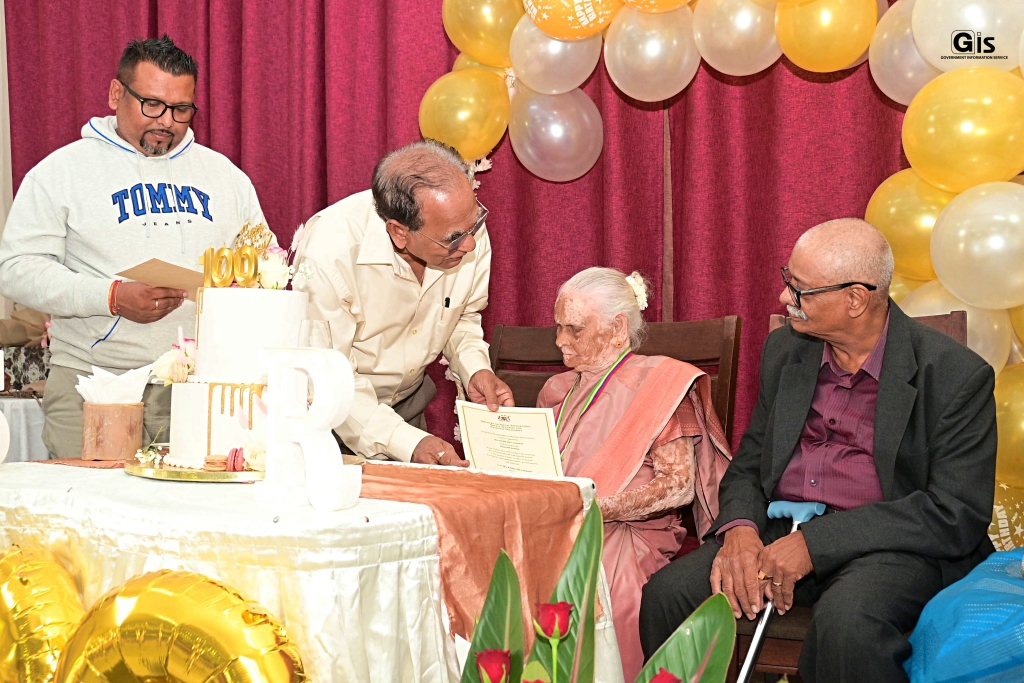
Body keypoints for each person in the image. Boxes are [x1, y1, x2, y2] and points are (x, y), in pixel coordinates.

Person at [639, 219, 997, 683]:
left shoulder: (954, 375)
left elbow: (955, 513)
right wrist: (741, 532)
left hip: (890, 545)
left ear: (855, 299)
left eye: (800, 289)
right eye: (788, 280)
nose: (784, 299)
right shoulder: (786, 350)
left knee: (849, 625)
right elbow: (751, 460)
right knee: (669, 595)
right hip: (778, 527)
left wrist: (815, 545)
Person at [0, 36, 267, 459]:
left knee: (186, 516)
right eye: (152, 105)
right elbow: (16, 269)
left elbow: (262, 266)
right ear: (115, 94)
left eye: (181, 109)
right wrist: (110, 296)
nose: (166, 121)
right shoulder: (60, 172)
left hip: (196, 388)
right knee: (86, 513)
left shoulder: (225, 177)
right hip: (92, 384)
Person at [536, 267, 731, 681]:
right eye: (557, 327)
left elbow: (677, 488)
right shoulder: (556, 390)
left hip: (625, 532)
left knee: (594, 588)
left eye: (573, 329)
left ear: (617, 328)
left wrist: (593, 510)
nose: (559, 341)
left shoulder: (661, 383)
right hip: (552, 521)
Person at [292, 140, 513, 466]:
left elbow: (461, 315)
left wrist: (475, 368)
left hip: (408, 410)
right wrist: (406, 443)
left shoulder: (464, 228)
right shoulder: (330, 251)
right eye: (454, 238)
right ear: (398, 232)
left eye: (475, 223)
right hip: (331, 420)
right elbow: (329, 375)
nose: (470, 244)